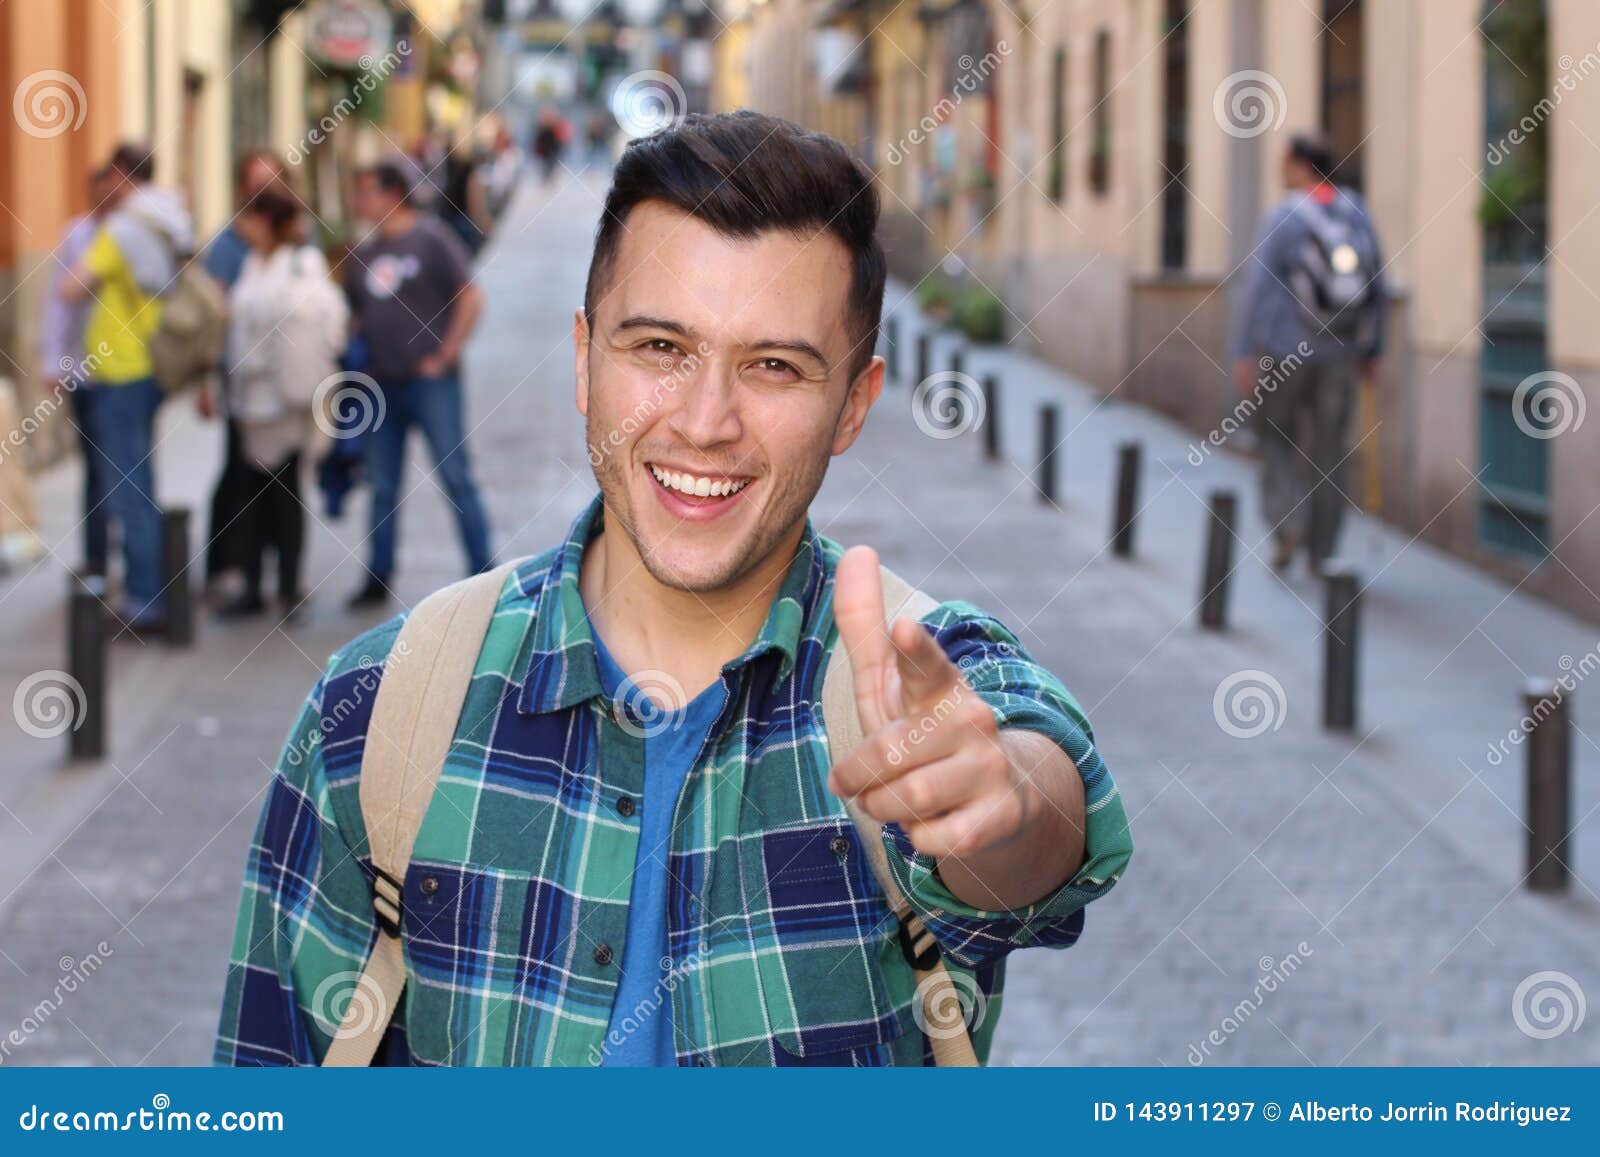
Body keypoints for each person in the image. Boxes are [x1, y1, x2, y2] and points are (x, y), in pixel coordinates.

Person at [215, 112, 1132, 1067]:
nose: (705, 422)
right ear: (582, 358)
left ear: (853, 404)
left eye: (774, 366)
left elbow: (1042, 799)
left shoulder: (912, 687)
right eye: (659, 348)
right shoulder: (380, 713)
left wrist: (1001, 806)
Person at [1230, 129, 1387, 574]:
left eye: (1284, 162)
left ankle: (1287, 527)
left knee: (1276, 440)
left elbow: (1258, 288)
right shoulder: (1356, 211)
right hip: (1340, 354)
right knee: (1330, 452)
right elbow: (1378, 283)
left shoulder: (1283, 216)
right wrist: (1373, 348)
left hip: (1284, 354)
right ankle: (1322, 551)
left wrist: (1244, 351)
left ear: (1300, 164)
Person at [343, 160, 492, 609]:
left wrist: (446, 354)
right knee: (382, 484)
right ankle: (378, 573)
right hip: (381, 386)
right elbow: (357, 315)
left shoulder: (431, 239)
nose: (358, 202)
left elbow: (470, 297)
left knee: (455, 475)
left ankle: (484, 571)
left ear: (391, 195)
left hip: (430, 383)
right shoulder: (363, 254)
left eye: (365, 191)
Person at [62, 143, 195, 631]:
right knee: (139, 480)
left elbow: (70, 287)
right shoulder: (170, 219)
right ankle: (155, 588)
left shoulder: (122, 228)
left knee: (127, 488)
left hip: (120, 368)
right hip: (151, 364)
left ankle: (146, 599)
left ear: (120, 175)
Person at [218, 184, 348, 622]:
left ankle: (289, 588)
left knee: (285, 493)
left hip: (287, 399)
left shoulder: (302, 264)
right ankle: (254, 586)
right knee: (251, 494)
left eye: (249, 217)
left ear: (267, 221)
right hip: (250, 400)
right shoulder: (253, 264)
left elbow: (331, 322)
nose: (241, 226)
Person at [200, 150, 292, 600]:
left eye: (271, 183)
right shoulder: (230, 246)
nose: (263, 192)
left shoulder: (297, 246)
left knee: (283, 481)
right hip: (241, 384)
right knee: (239, 474)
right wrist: (205, 379)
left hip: (284, 389)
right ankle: (232, 565)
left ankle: (279, 575)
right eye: (256, 182)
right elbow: (213, 314)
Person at [39, 165, 120, 578]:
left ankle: (126, 547)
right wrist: (52, 361)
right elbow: (59, 304)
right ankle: (97, 556)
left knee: (123, 466)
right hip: (86, 373)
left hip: (124, 375)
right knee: (94, 467)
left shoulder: (128, 235)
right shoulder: (77, 235)